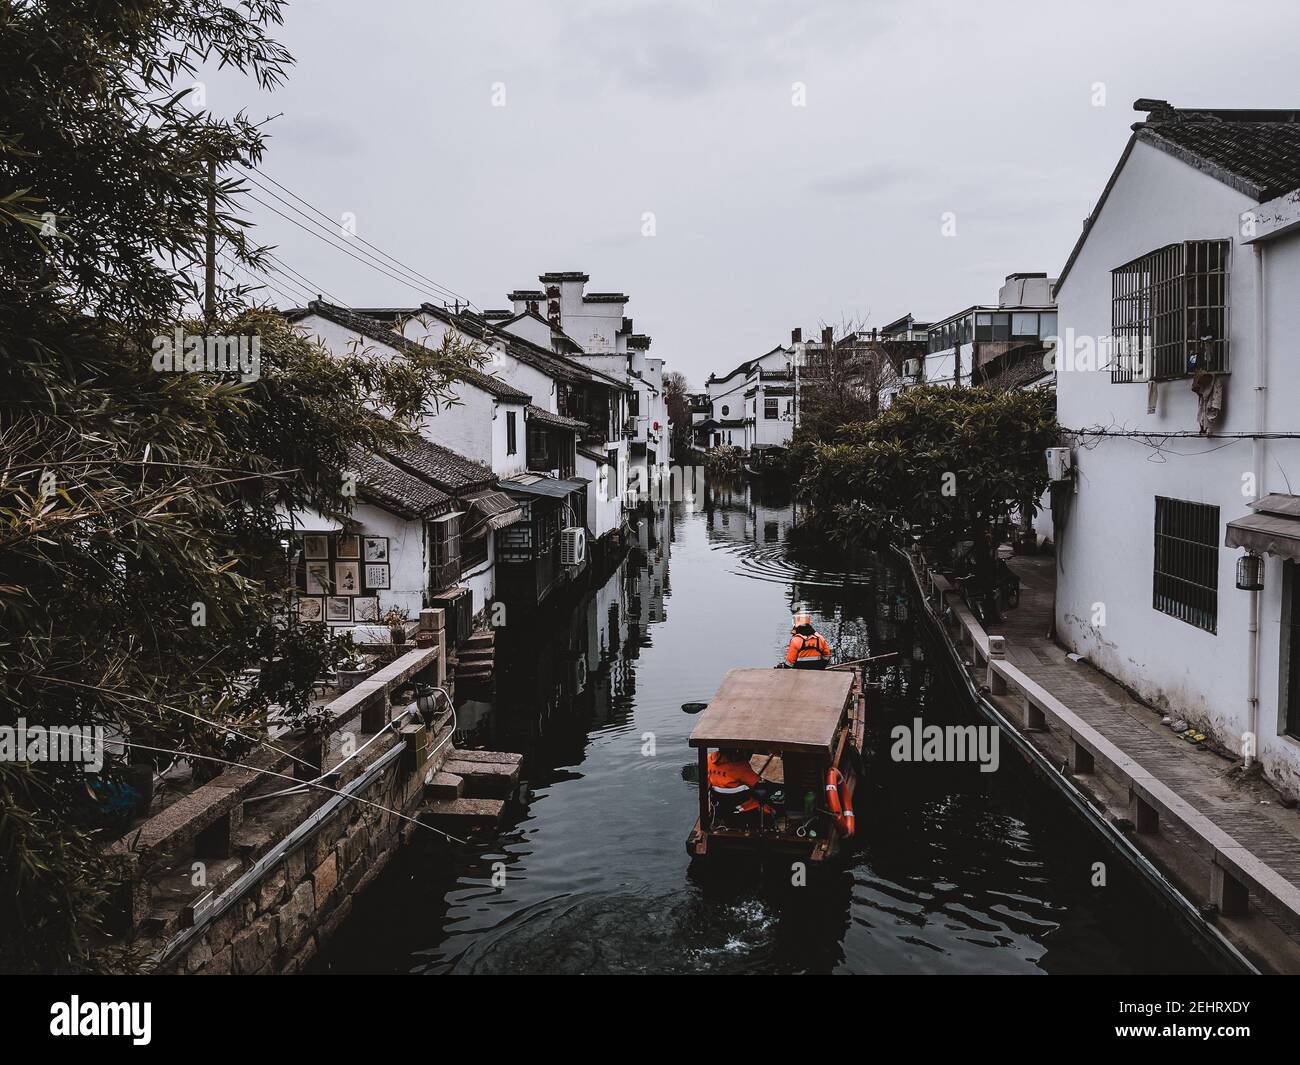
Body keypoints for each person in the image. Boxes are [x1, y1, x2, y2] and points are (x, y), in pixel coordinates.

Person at [707, 748, 773, 821]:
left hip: (719, 804)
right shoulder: (740, 767)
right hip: (744, 807)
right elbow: (759, 785)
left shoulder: (709, 760)